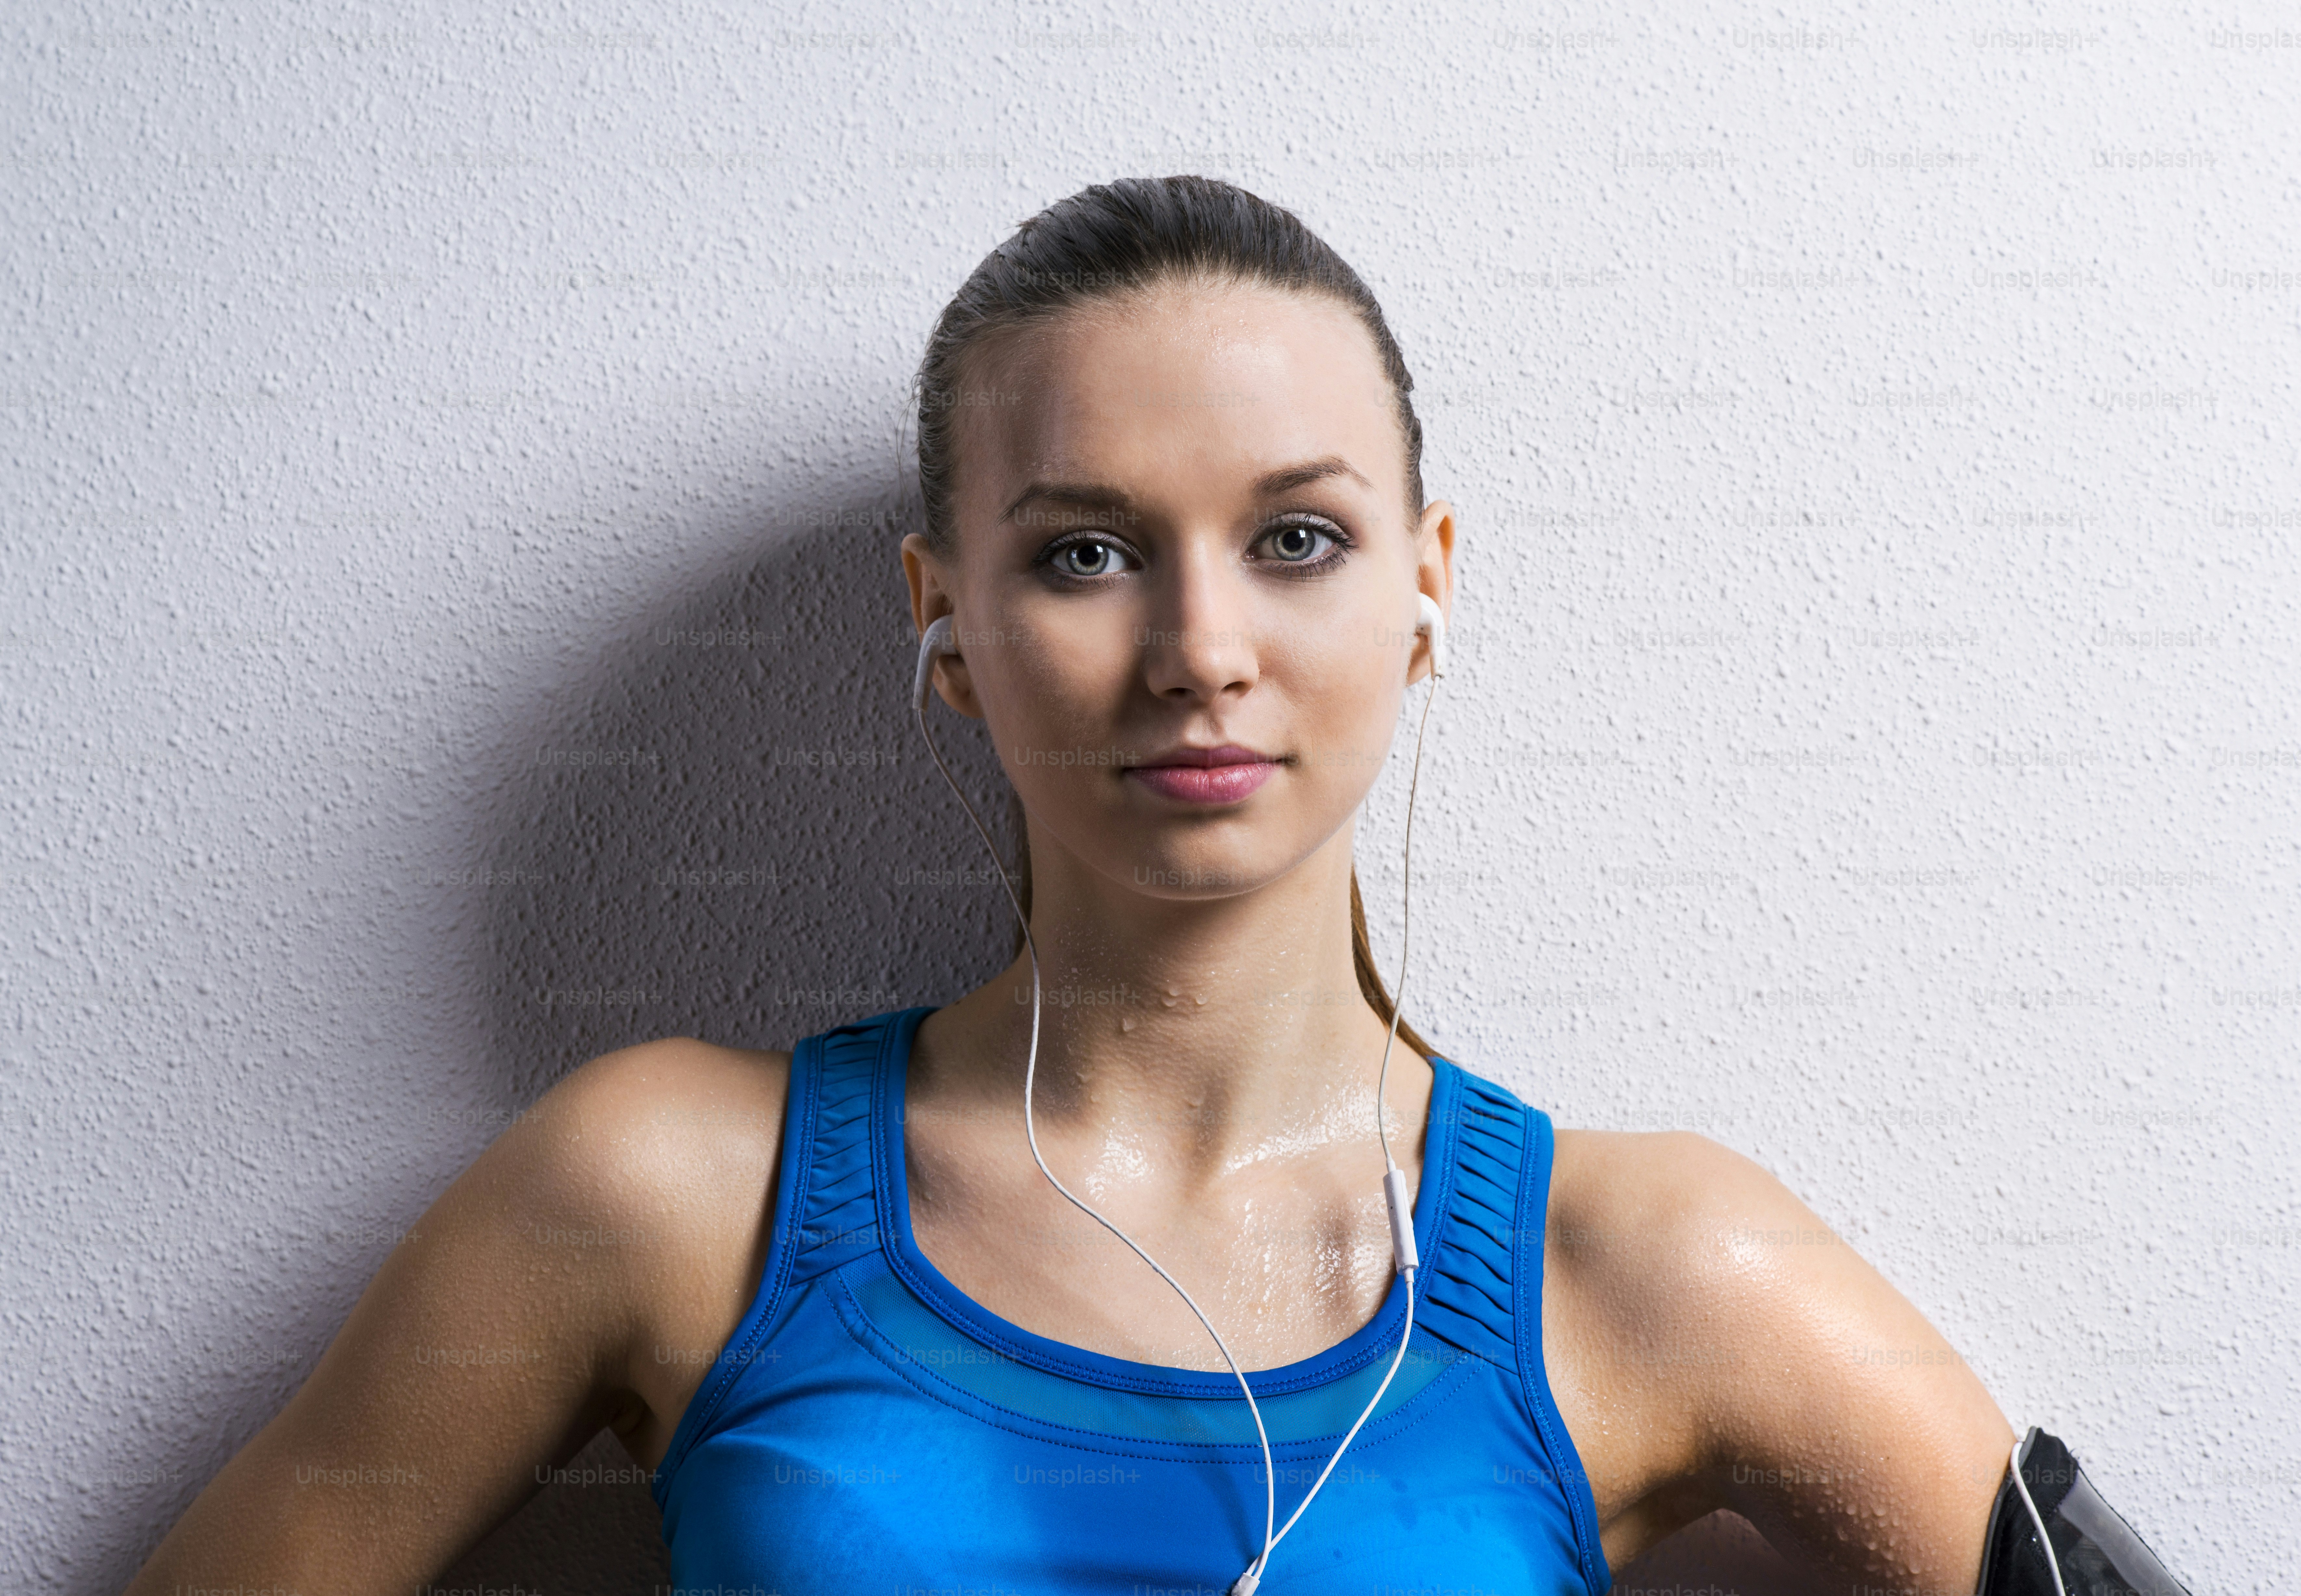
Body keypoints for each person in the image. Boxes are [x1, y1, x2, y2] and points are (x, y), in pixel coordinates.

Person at [124, 176, 2037, 1596]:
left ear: (1429, 582)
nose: (1202, 646)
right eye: (1088, 553)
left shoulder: (1642, 1261)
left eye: (1298, 536)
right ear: (943, 617)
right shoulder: (663, 1186)